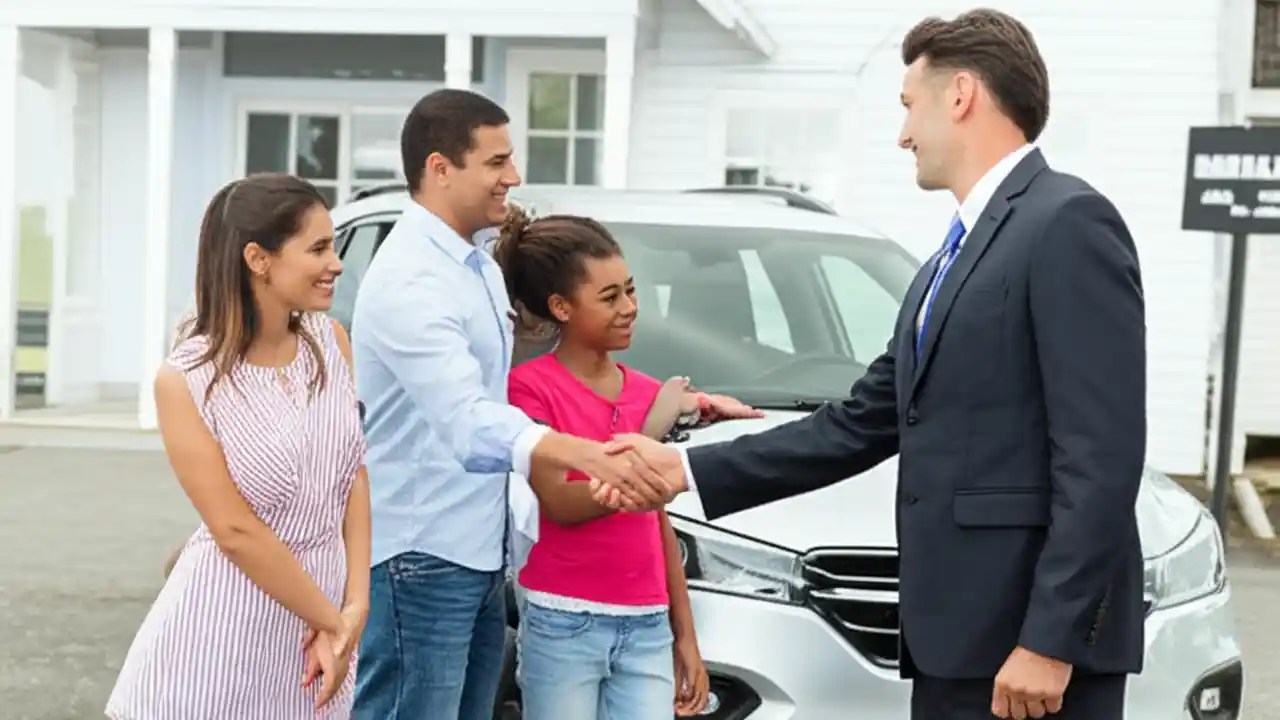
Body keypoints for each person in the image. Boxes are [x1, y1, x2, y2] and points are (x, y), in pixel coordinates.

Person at [592, 9, 1147, 720]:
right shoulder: (951, 257)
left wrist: (1052, 639)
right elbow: (860, 423)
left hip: (1027, 651)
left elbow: (1100, 456)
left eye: (910, 105)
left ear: (961, 95)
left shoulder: (1067, 223)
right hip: (956, 641)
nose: (903, 133)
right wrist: (684, 471)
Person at [349, 89, 671, 720]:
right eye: (496, 161)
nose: (514, 177)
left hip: (476, 556)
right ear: (441, 168)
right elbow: (468, 421)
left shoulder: (475, 265)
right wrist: (582, 452)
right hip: (420, 557)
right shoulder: (411, 280)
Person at [106, 173, 371, 719]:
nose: (336, 263)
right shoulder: (186, 379)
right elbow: (234, 530)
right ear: (258, 258)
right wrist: (329, 618)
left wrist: (355, 608)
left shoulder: (331, 342)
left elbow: (354, 475)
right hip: (225, 630)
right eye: (318, 248)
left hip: (324, 631)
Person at [490, 209, 762, 719]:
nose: (629, 307)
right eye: (610, 297)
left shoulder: (647, 392)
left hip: (646, 625)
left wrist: (685, 635)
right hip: (563, 622)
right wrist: (651, 434)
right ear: (561, 307)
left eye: (631, 291)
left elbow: (656, 519)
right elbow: (561, 503)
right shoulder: (529, 388)